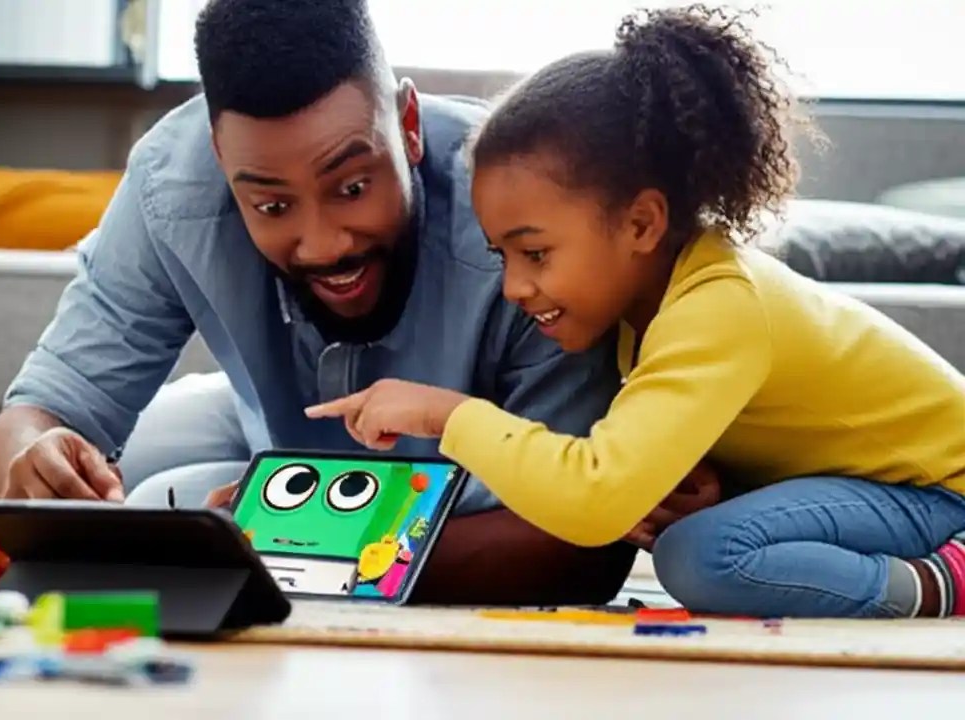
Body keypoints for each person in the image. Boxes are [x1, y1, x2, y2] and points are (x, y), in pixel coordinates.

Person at [0, 0, 699, 605]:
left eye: (352, 187)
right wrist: (37, 460)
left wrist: (299, 551)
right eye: (271, 206)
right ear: (223, 161)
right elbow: (46, 410)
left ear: (409, 125)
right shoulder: (171, 184)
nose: (323, 244)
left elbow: (583, 537)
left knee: (159, 519)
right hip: (266, 427)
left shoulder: (525, 218)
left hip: (469, 486)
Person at [306, 4, 965, 619]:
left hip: (945, 492)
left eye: (534, 252)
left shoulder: (718, 307)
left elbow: (594, 498)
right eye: (502, 256)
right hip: (879, 489)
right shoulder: (646, 313)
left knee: (703, 555)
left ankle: (947, 580)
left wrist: (446, 414)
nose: (513, 287)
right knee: (697, 536)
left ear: (642, 223)